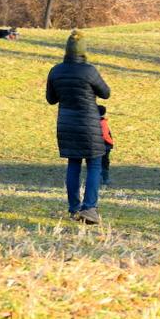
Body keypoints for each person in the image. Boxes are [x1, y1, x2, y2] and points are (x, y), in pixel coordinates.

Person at [45, 30, 110, 225]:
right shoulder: (89, 71)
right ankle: (89, 208)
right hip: (89, 125)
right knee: (94, 164)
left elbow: (51, 99)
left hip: (66, 126)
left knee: (73, 164)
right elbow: (105, 93)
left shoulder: (56, 71)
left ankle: (74, 208)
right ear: (83, 51)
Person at [98, 105, 114, 186]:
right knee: (105, 162)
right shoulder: (103, 122)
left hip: (96, 146)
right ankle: (105, 179)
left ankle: (99, 178)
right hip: (105, 145)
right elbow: (105, 135)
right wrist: (110, 142)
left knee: (97, 162)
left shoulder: (94, 121)